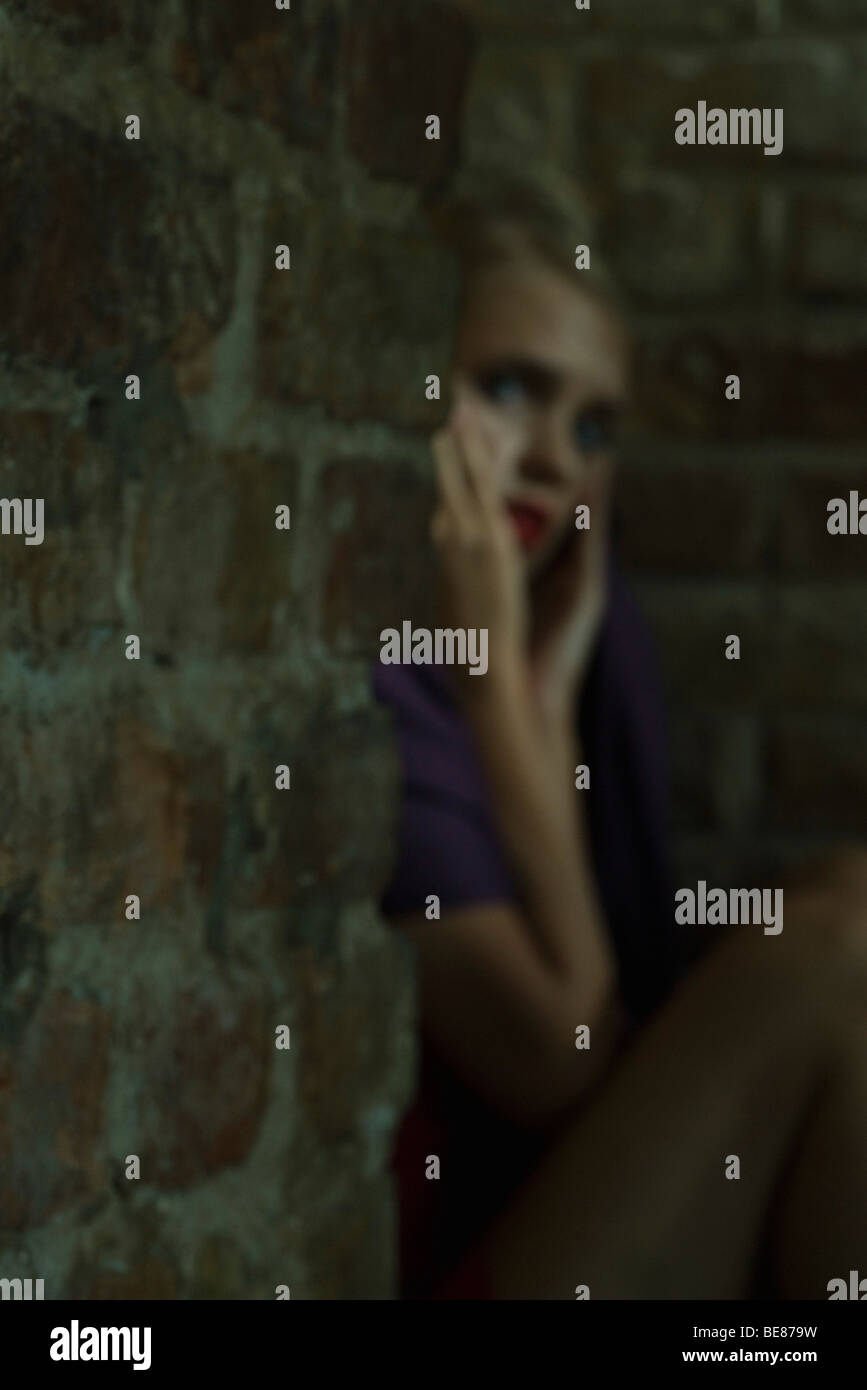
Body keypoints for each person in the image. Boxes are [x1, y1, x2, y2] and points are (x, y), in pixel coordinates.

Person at [372, 153, 867, 1301]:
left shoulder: (585, 642)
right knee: (843, 932)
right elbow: (560, 1056)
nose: (556, 456)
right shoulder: (374, 678)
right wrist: (506, 700)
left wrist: (540, 699)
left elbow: (623, 1028)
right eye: (508, 389)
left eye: (594, 426)